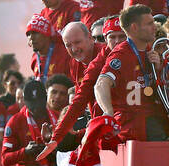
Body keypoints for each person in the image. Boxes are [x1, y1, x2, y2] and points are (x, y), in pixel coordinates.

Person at [40, 19, 125, 158]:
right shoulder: (74, 63)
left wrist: (59, 135)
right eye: (68, 45)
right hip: (101, 124)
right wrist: (60, 136)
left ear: (90, 38)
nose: (74, 49)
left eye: (78, 42)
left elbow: (81, 99)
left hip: (120, 124)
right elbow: (83, 101)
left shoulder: (106, 55)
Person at [94, 5, 169, 142]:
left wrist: (158, 68)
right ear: (135, 28)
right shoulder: (121, 54)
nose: (154, 27)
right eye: (149, 24)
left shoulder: (149, 50)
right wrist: (108, 114)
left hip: (154, 120)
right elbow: (101, 84)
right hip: (133, 129)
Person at [4, 77, 74, 166]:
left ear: (45, 99)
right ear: (24, 101)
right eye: (32, 106)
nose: (36, 109)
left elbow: (68, 147)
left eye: (39, 105)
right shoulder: (15, 121)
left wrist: (51, 144)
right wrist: (25, 152)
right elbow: (5, 159)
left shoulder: (57, 117)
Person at [26, 13, 73, 84]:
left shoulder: (65, 54)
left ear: (46, 35)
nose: (31, 38)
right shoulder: (34, 58)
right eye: (28, 34)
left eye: (35, 33)